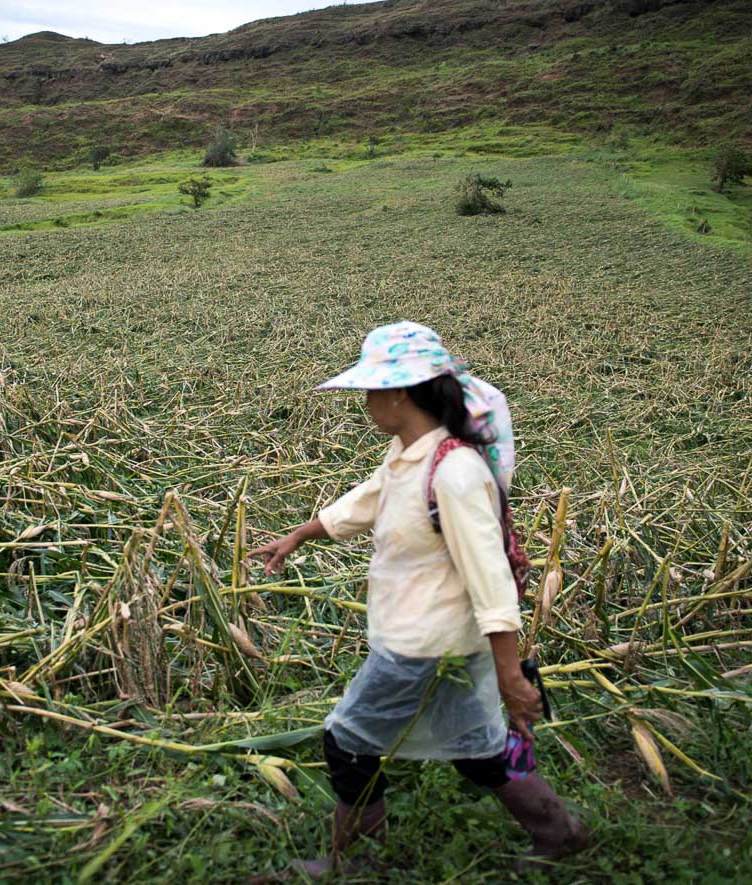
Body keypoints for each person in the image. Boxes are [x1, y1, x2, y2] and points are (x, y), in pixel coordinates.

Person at [249, 321, 590, 877]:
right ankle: (561, 833)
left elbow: (490, 579)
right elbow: (371, 497)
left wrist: (510, 675)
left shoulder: (454, 472)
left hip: (421, 646)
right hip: (440, 643)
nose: (364, 401)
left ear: (402, 390)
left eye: (370, 389)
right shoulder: (411, 453)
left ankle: (354, 862)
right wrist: (300, 535)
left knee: (348, 743)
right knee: (478, 751)